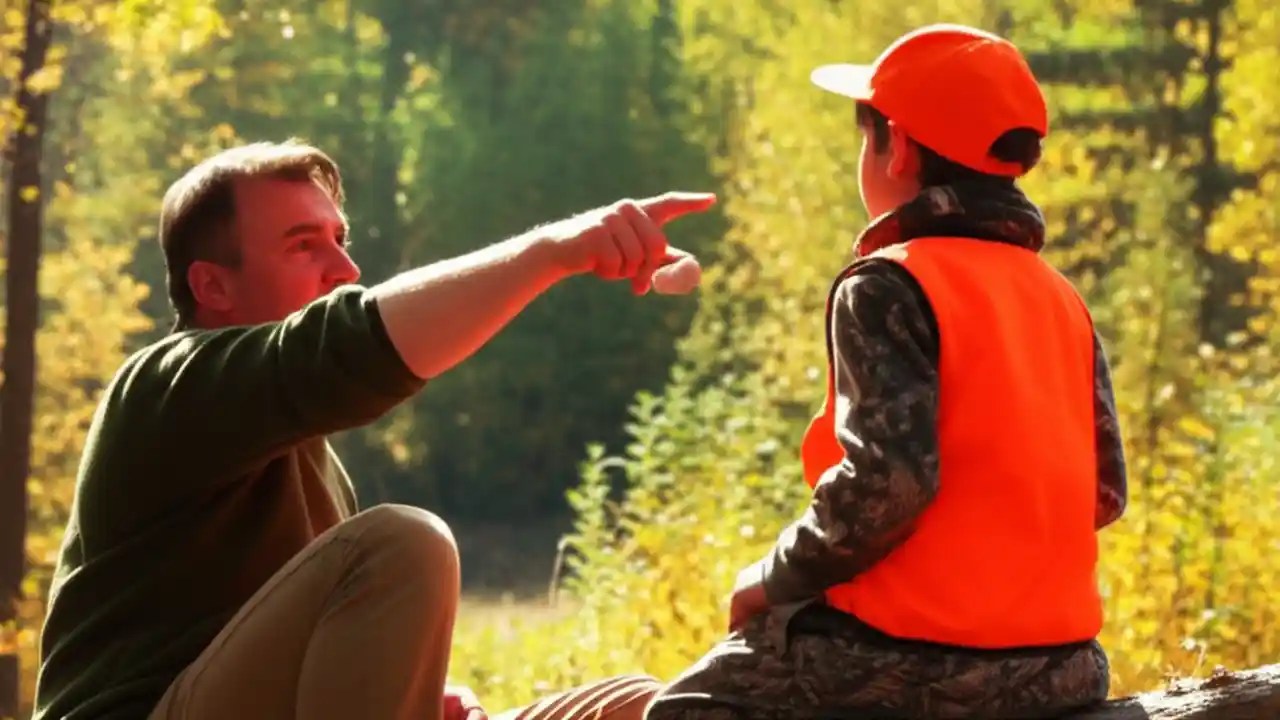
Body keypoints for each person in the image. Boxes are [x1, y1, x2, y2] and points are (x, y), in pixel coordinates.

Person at [30, 139, 715, 720]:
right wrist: (555, 250)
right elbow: (348, 346)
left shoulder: (314, 463)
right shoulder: (163, 389)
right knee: (403, 541)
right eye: (304, 245)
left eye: (340, 239)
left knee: (636, 706)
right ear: (213, 287)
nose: (346, 269)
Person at [646, 24, 1129, 720]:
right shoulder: (1061, 299)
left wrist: (772, 578)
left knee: (684, 708)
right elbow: (1105, 494)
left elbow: (888, 485)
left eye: (864, 136)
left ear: (896, 146)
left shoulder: (885, 284)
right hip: (1066, 668)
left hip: (911, 657)